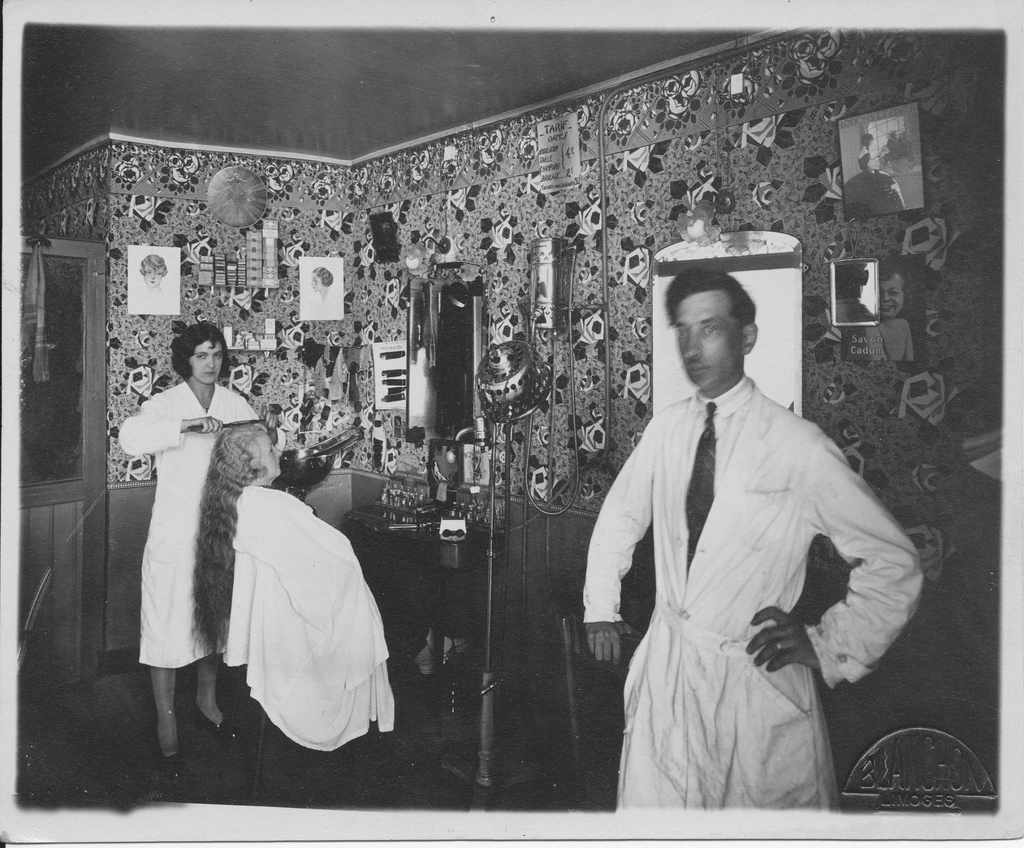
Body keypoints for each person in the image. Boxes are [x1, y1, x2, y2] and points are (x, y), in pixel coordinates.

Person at [583, 268, 922, 808]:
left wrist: (831, 643)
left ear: (747, 337)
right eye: (683, 331)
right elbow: (620, 517)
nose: (692, 348)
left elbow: (894, 563)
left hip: (754, 683)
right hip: (671, 672)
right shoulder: (667, 430)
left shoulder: (797, 446)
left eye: (710, 328)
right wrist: (600, 606)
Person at [194, 423, 394, 750]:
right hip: (294, 635)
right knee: (395, 606)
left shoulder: (237, 502)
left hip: (273, 631)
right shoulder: (272, 507)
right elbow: (335, 562)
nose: (278, 452)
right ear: (252, 466)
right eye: (270, 450)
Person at [119, 322, 263, 766]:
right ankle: (166, 718)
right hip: (175, 532)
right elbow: (129, 438)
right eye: (202, 355)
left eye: (217, 355)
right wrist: (186, 425)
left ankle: (206, 699)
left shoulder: (234, 402)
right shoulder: (164, 404)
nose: (210, 363)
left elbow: (258, 444)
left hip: (219, 529)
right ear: (187, 360)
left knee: (211, 618)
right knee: (165, 624)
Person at [877, 259, 915, 361]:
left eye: (893, 292)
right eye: (879, 292)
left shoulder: (904, 324)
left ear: (905, 296)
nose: (885, 298)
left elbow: (909, 359)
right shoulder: (871, 327)